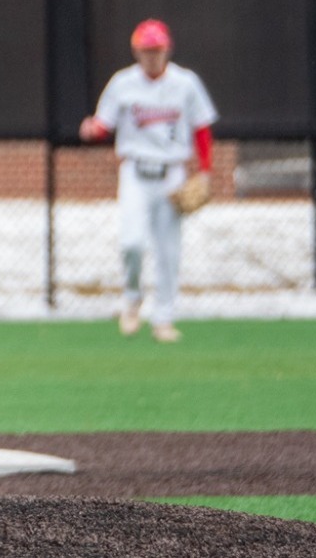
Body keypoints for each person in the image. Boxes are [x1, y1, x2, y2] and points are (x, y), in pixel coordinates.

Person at [78, 18, 217, 343]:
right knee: (132, 243)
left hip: (172, 174)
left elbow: (202, 127)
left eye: (156, 49)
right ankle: (132, 297)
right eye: (146, 50)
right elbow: (105, 124)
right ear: (136, 52)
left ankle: (163, 319)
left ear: (167, 49)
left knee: (169, 252)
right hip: (135, 173)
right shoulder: (123, 83)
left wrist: (206, 172)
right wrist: (92, 130)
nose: (152, 56)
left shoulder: (186, 83)